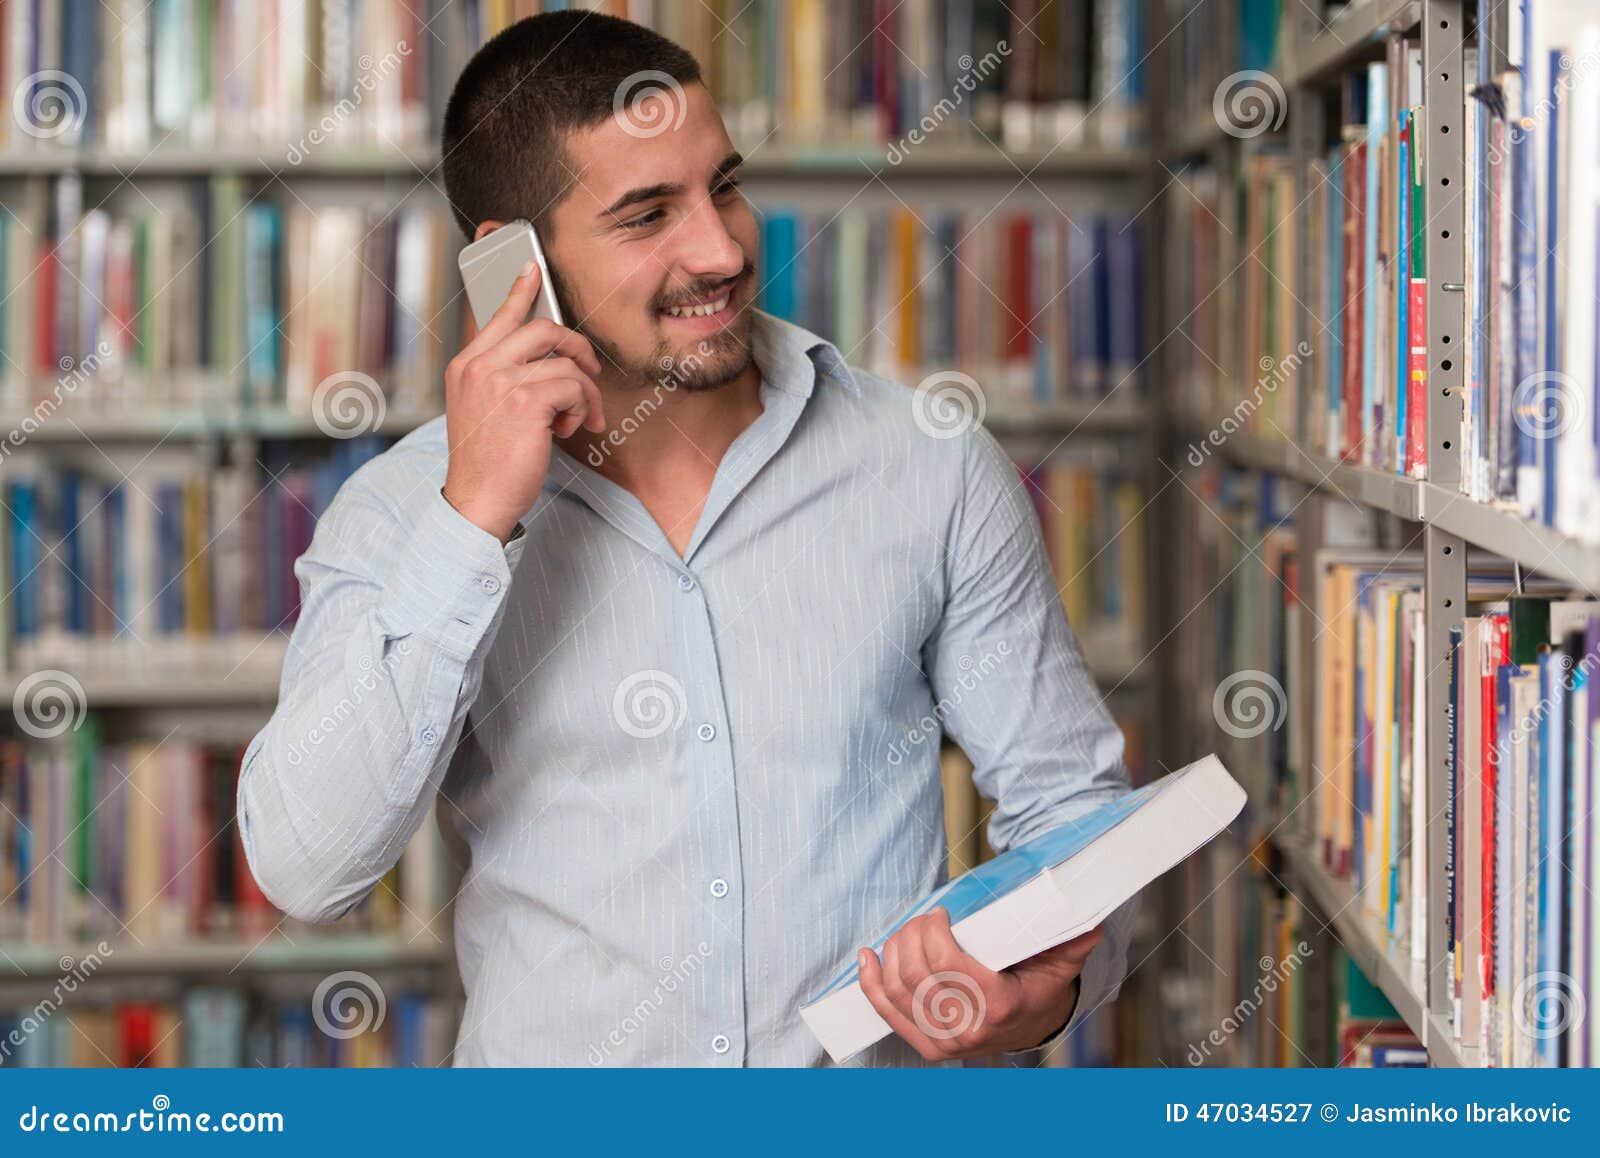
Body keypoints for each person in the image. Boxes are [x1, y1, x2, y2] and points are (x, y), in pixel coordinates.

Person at [238, 10, 1134, 1067]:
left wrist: (1036, 1000)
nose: (718, 248)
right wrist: (473, 516)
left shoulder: (927, 464)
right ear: (512, 265)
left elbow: (1074, 818)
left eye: (724, 186)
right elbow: (308, 871)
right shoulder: (403, 515)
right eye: (645, 214)